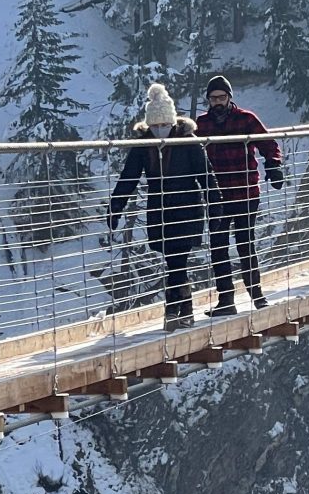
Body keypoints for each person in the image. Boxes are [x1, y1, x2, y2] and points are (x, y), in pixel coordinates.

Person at [105, 82, 215, 332]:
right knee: (175, 261)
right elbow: (129, 177)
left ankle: (172, 310)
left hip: (187, 210)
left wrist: (214, 205)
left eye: (164, 125)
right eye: (155, 126)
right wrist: (115, 206)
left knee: (177, 260)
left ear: (173, 122)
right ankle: (184, 310)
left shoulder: (188, 141)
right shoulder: (144, 145)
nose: (160, 131)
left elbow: (205, 175)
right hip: (161, 212)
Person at [195, 74, 283, 315]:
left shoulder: (246, 119)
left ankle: (257, 296)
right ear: (208, 100)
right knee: (218, 247)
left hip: (245, 192)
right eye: (213, 98)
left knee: (245, 244)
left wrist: (274, 166)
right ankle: (226, 301)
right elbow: (191, 153)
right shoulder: (201, 125)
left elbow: (268, 144)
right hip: (217, 195)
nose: (217, 102)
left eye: (222, 97)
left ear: (229, 97)